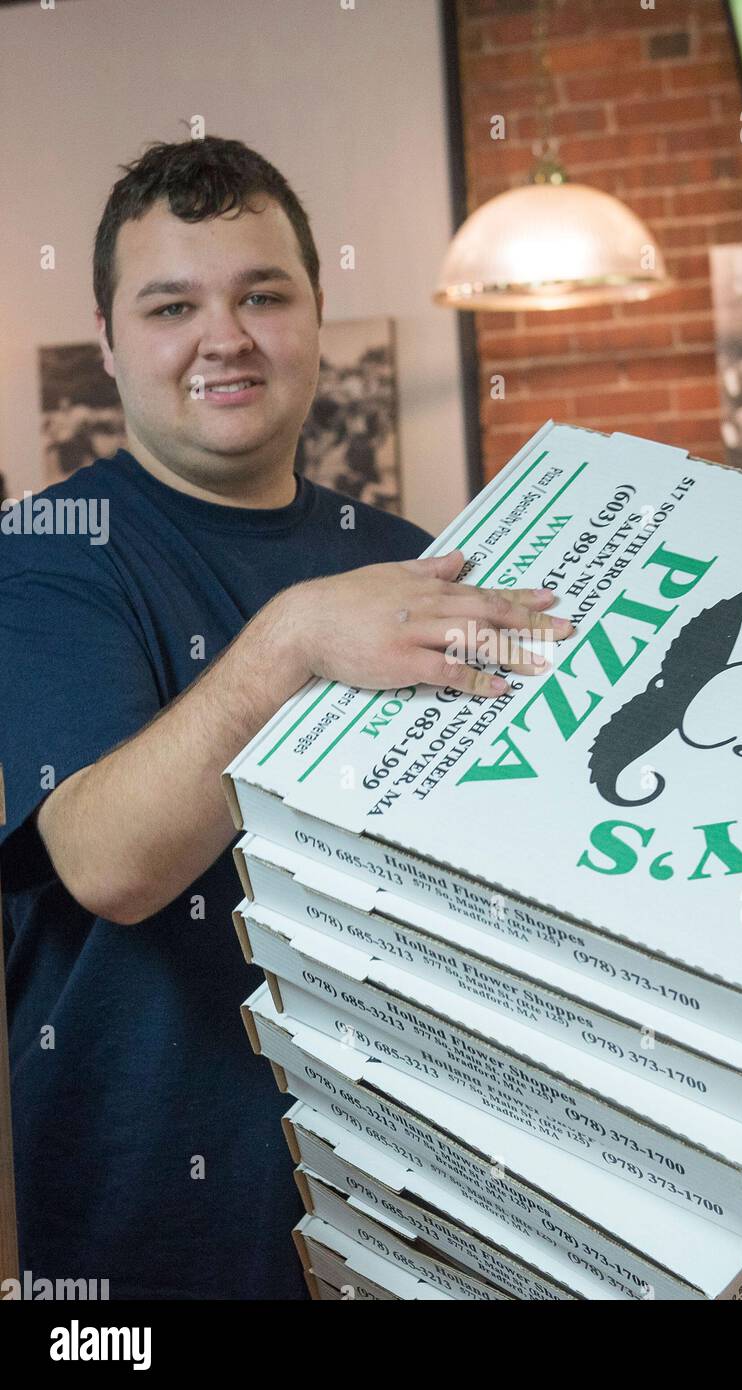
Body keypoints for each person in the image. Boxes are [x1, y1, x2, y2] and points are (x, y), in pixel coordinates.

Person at [0, 135, 571, 1300]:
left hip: (411, 1210)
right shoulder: (46, 558)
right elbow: (106, 860)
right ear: (108, 341)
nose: (227, 335)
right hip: (156, 1239)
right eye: (172, 305)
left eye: (264, 293)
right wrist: (295, 640)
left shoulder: (403, 561)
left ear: (315, 316)